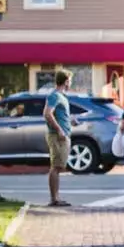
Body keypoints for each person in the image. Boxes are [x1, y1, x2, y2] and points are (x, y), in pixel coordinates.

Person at [43, 70, 74, 207]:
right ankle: (54, 199)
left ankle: (56, 197)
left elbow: (59, 115)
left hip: (64, 135)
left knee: (59, 166)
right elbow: (47, 114)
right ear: (66, 81)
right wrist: (59, 130)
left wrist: (70, 121)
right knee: (56, 166)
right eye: (70, 80)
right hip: (57, 136)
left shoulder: (62, 97)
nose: (70, 83)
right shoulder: (54, 96)